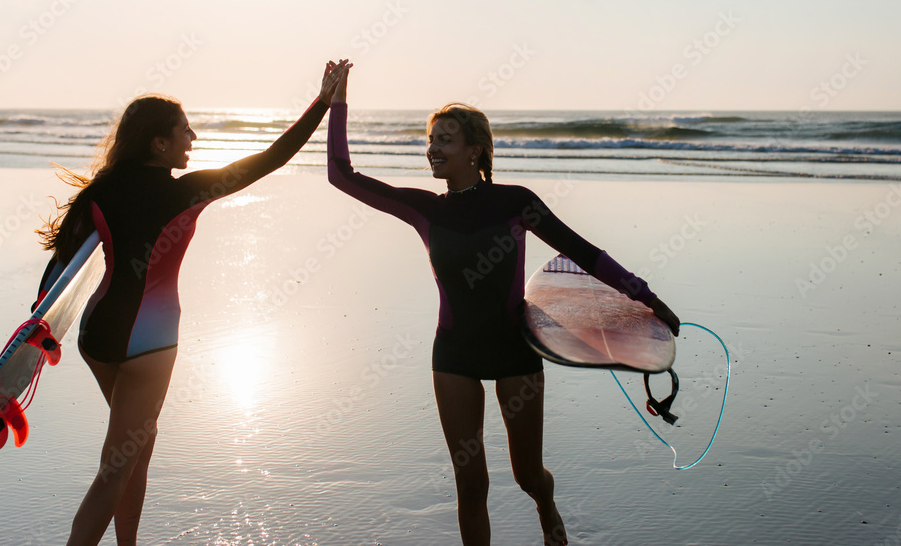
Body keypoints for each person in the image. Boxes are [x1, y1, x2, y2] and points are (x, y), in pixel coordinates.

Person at [325, 66, 679, 546]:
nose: (433, 147)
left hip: (516, 351)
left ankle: (546, 503)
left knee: (527, 475)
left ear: (475, 150)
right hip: (454, 356)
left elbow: (583, 252)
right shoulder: (425, 209)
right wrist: (337, 103)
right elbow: (341, 175)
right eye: (430, 138)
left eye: (445, 139)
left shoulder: (516, 202)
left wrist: (647, 297)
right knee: (471, 485)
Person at [37, 60, 350, 546]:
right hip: (150, 342)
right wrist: (322, 104)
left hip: (97, 336)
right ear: (158, 143)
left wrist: (35, 329)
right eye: (185, 130)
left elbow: (62, 269)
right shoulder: (188, 191)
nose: (194, 137)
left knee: (137, 444)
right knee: (116, 466)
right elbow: (273, 157)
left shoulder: (98, 193)